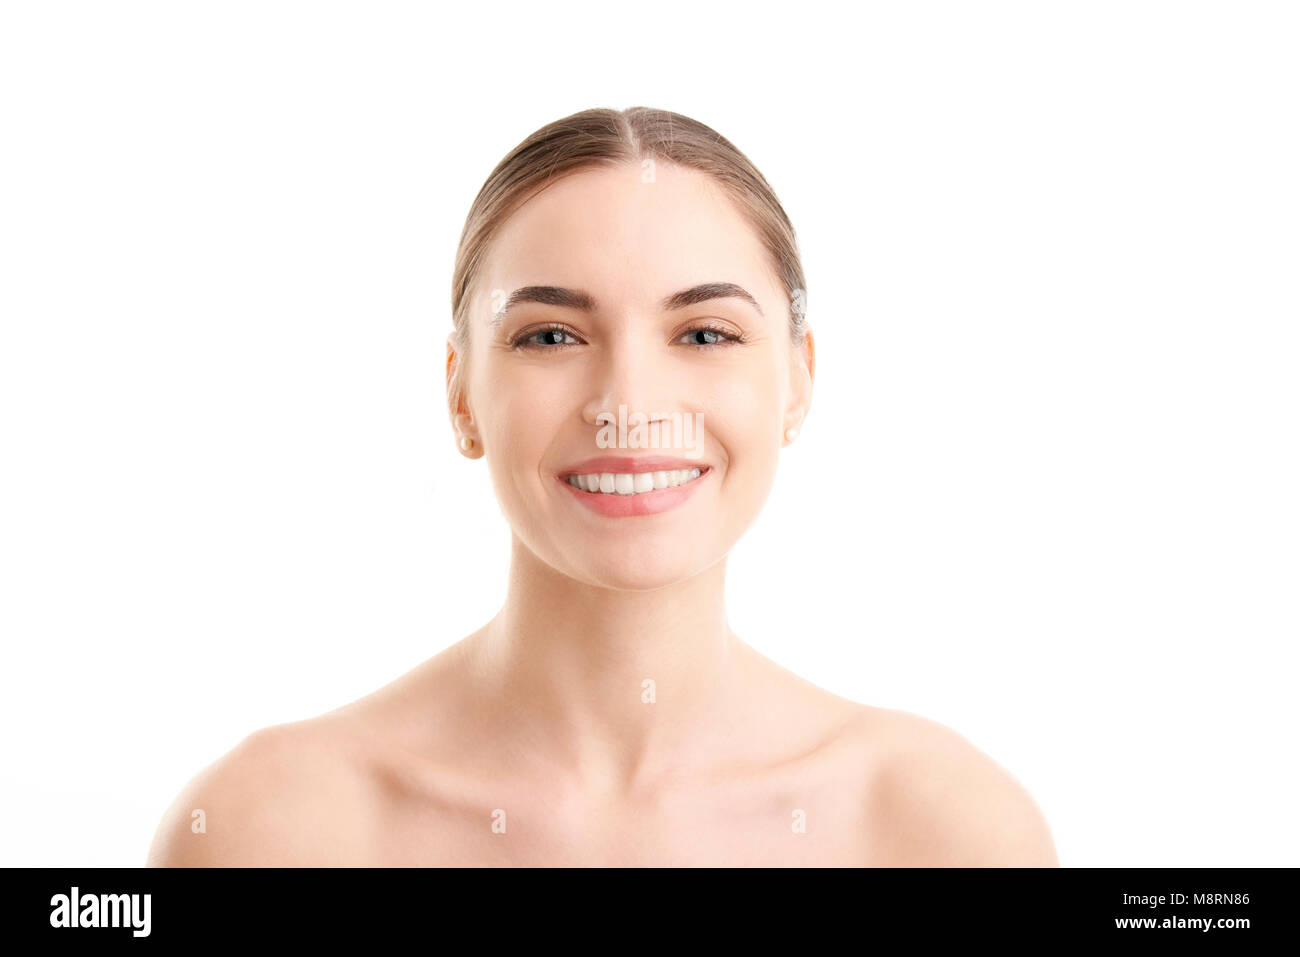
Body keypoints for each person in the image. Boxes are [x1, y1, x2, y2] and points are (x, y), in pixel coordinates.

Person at [147, 106, 1058, 866]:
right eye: (551, 335)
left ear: (800, 378)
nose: (629, 405)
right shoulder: (271, 832)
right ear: (461, 392)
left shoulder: (943, 831)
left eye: (704, 334)